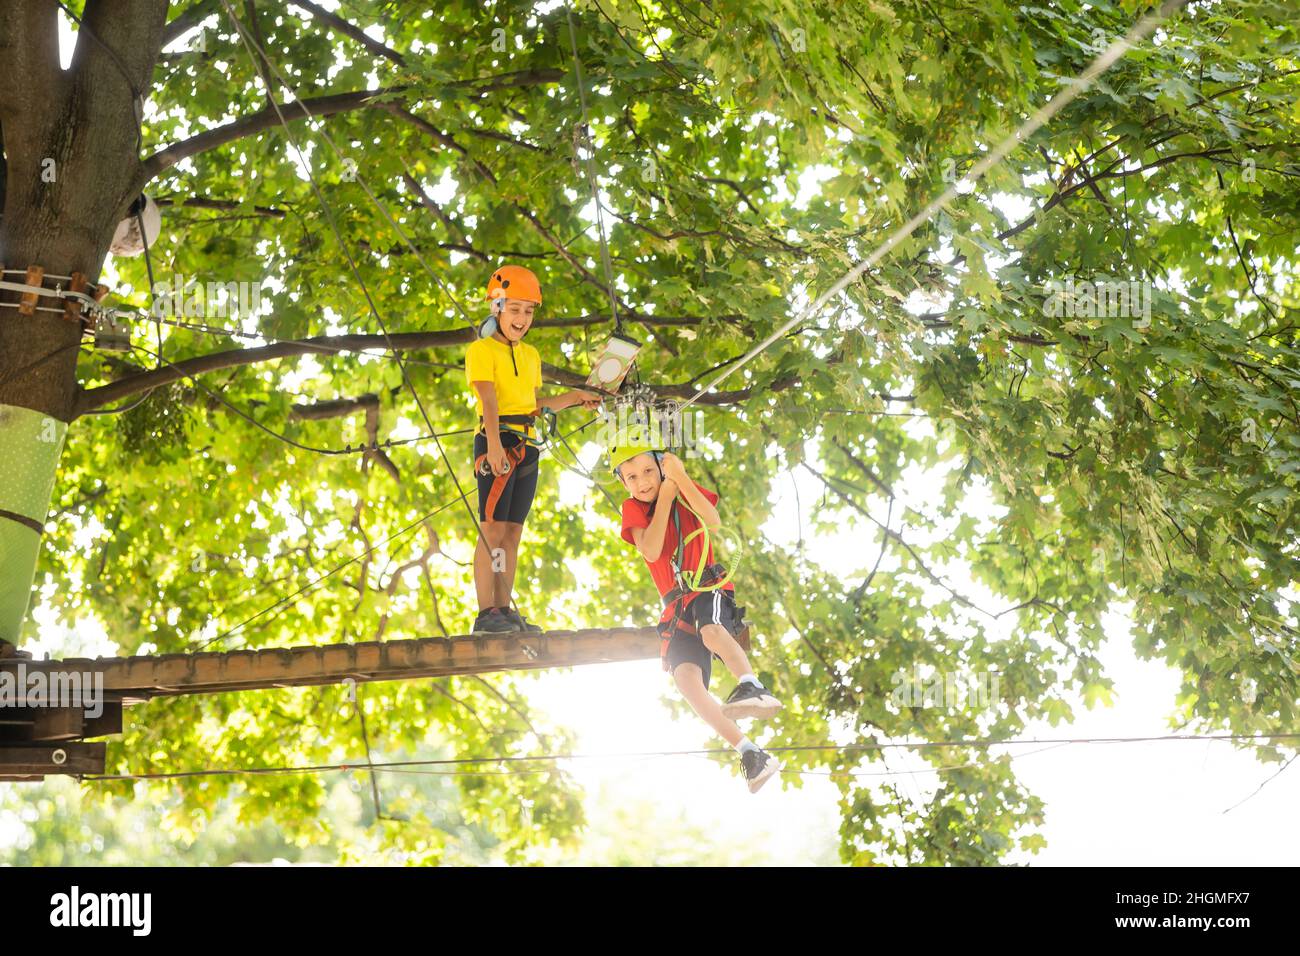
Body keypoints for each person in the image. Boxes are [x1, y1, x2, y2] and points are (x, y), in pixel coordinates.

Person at [613, 444, 784, 793]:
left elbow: (712, 519)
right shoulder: (633, 509)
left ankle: (751, 684)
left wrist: (680, 479)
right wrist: (666, 494)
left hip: (706, 586)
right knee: (686, 681)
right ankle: (751, 753)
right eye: (632, 477)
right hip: (676, 607)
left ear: (661, 468)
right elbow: (651, 548)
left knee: (711, 629)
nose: (642, 481)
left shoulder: (679, 489)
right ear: (624, 484)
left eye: (648, 471)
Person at [466, 265, 598, 634]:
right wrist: (493, 446)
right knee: (491, 530)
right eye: (515, 310)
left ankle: (504, 611)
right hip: (497, 441)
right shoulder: (481, 350)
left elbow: (534, 404)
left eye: (528, 311)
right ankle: (486, 613)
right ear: (497, 308)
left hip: (527, 443)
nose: (522, 318)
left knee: (512, 533)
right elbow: (488, 399)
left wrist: (574, 397)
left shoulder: (530, 355)